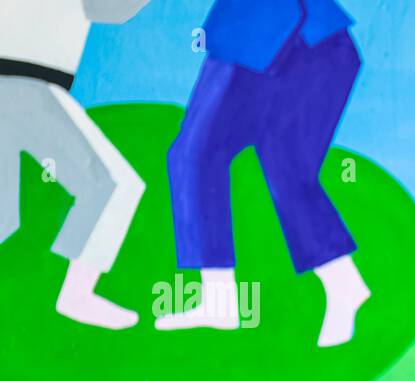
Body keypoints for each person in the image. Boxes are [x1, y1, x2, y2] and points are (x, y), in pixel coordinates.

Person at [159, 0, 369, 347]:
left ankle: (338, 284)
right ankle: (339, 283)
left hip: (285, 40)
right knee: (228, 157)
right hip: (294, 43)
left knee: (209, 155)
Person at [0, 0, 151, 330]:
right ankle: (77, 294)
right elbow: (113, 10)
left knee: (4, 214)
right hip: (31, 84)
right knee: (112, 185)